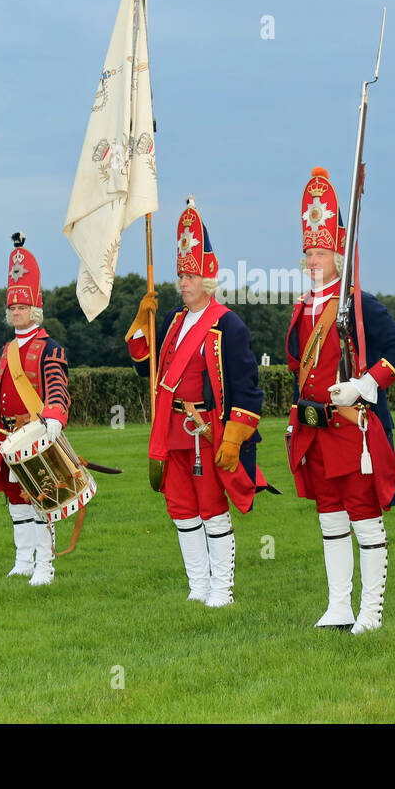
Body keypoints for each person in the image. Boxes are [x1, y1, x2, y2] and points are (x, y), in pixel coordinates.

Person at [285, 167, 395, 634]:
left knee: (364, 520)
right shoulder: (303, 307)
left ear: (338, 254)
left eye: (322, 251)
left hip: (355, 430)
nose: (314, 259)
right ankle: (338, 605)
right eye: (309, 252)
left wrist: (364, 383)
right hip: (317, 430)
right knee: (329, 519)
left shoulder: (358, 302)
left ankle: (372, 612)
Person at [126, 198, 267, 608]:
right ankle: (197, 586)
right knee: (182, 509)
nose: (182, 283)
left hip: (207, 432)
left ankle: (221, 589)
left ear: (207, 278)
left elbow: (247, 387)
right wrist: (141, 320)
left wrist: (235, 439)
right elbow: (146, 368)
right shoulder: (169, 320)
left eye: (190, 275)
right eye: (180, 275)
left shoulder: (229, 324)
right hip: (171, 430)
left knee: (211, 509)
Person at [0, 232, 70, 587]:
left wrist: (53, 419)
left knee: (41, 501)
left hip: (36, 436)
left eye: (21, 308)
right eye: (12, 308)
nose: (16, 313)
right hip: (8, 438)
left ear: (34, 309)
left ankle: (44, 566)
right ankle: (22, 561)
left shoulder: (49, 347)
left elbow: (57, 390)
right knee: (16, 503)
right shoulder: (7, 349)